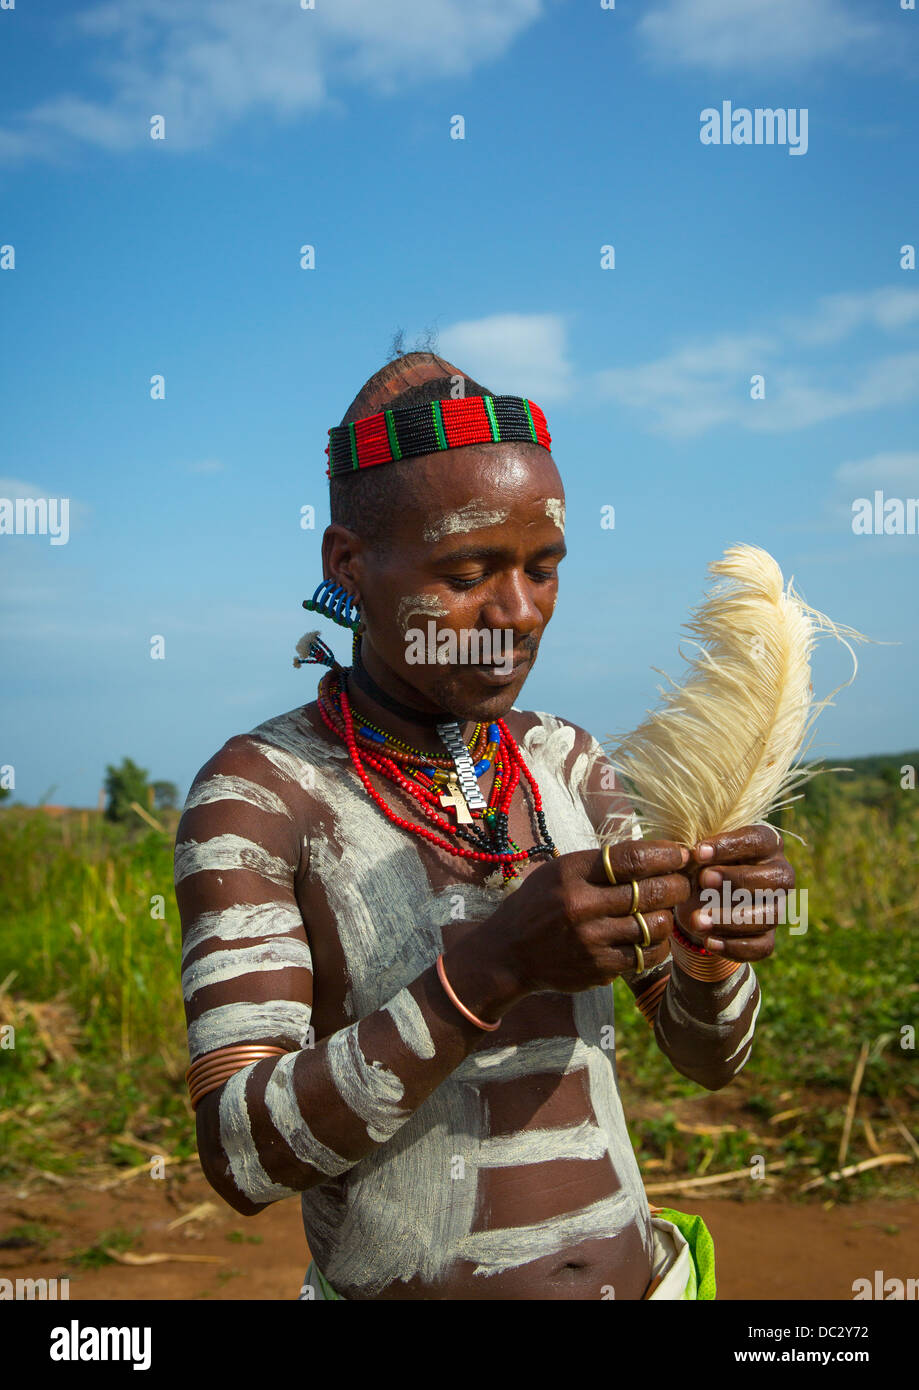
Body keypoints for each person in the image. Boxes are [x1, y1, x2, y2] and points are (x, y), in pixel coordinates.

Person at [174, 350, 794, 1300]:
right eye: (468, 572)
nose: (516, 614)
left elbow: (707, 1059)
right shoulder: (263, 795)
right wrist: (491, 968)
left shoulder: (569, 766)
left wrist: (713, 954)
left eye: (543, 569)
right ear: (348, 563)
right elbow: (242, 1155)